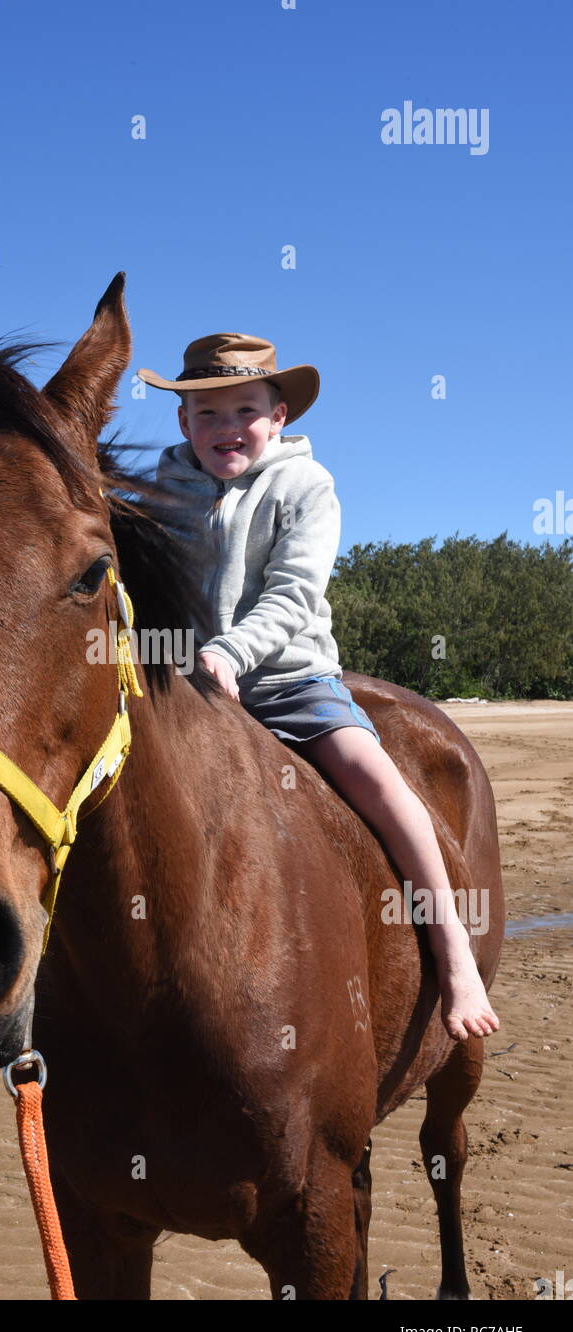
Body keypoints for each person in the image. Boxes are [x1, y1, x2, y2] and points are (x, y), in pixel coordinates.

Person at [137, 333, 499, 1042]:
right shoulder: (154, 495)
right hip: (182, 685)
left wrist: (230, 654)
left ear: (278, 419)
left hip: (288, 679)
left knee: (381, 785)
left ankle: (454, 950)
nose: (226, 427)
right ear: (182, 424)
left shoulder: (306, 487)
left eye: (244, 409)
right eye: (207, 413)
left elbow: (293, 593)